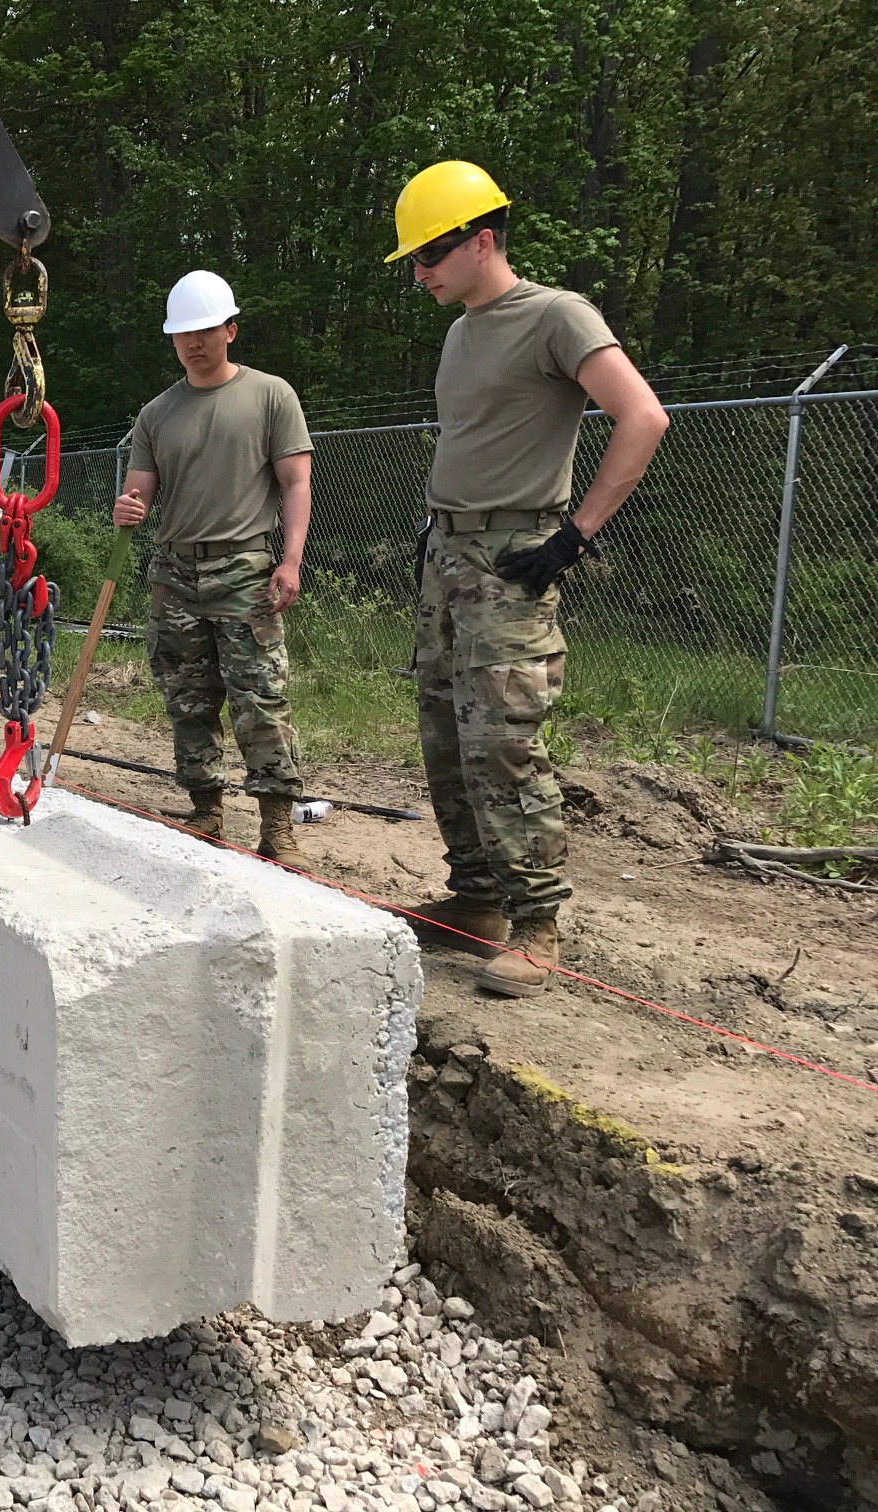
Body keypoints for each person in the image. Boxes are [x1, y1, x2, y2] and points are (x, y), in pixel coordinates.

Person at [389, 161, 669, 996]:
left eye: (429, 254)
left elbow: (643, 415)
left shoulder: (556, 316)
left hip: (513, 559)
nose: (420, 272)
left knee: (504, 742)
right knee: (445, 734)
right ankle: (475, 898)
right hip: (446, 554)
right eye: (413, 259)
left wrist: (574, 538)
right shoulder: (460, 331)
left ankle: (537, 920)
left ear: (482, 241)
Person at [113, 270, 316, 868]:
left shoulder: (271, 396)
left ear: (230, 330)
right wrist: (129, 507)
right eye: (183, 333)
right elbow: (139, 490)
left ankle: (277, 827)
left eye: (205, 330)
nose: (194, 342)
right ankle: (205, 808)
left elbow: (296, 481)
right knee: (187, 696)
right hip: (175, 572)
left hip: (244, 570)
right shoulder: (156, 414)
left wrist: (291, 560)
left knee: (260, 698)